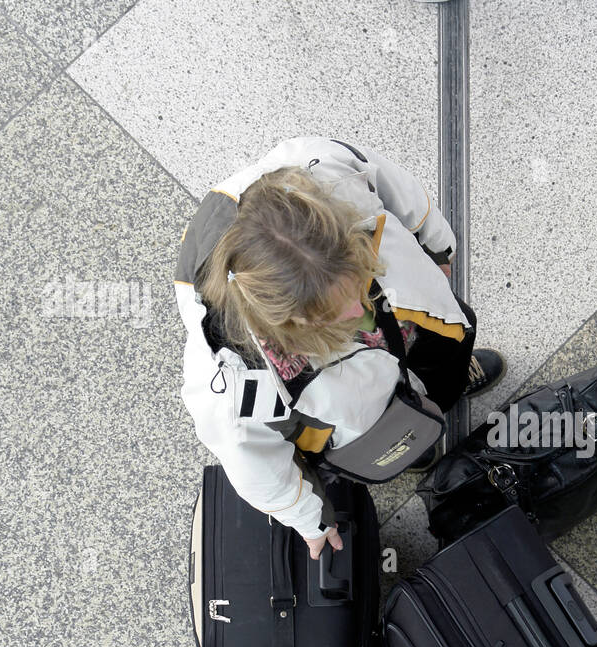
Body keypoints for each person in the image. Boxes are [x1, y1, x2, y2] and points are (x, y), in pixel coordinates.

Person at [175, 136, 504, 559]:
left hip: (418, 323)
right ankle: (411, 445)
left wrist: (437, 244)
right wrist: (308, 518)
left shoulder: (326, 168)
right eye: (333, 311)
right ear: (285, 323)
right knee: (388, 429)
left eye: (357, 279)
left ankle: (438, 399)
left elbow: (394, 188)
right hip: (350, 412)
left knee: (445, 358)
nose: (357, 308)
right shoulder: (238, 384)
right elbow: (253, 462)